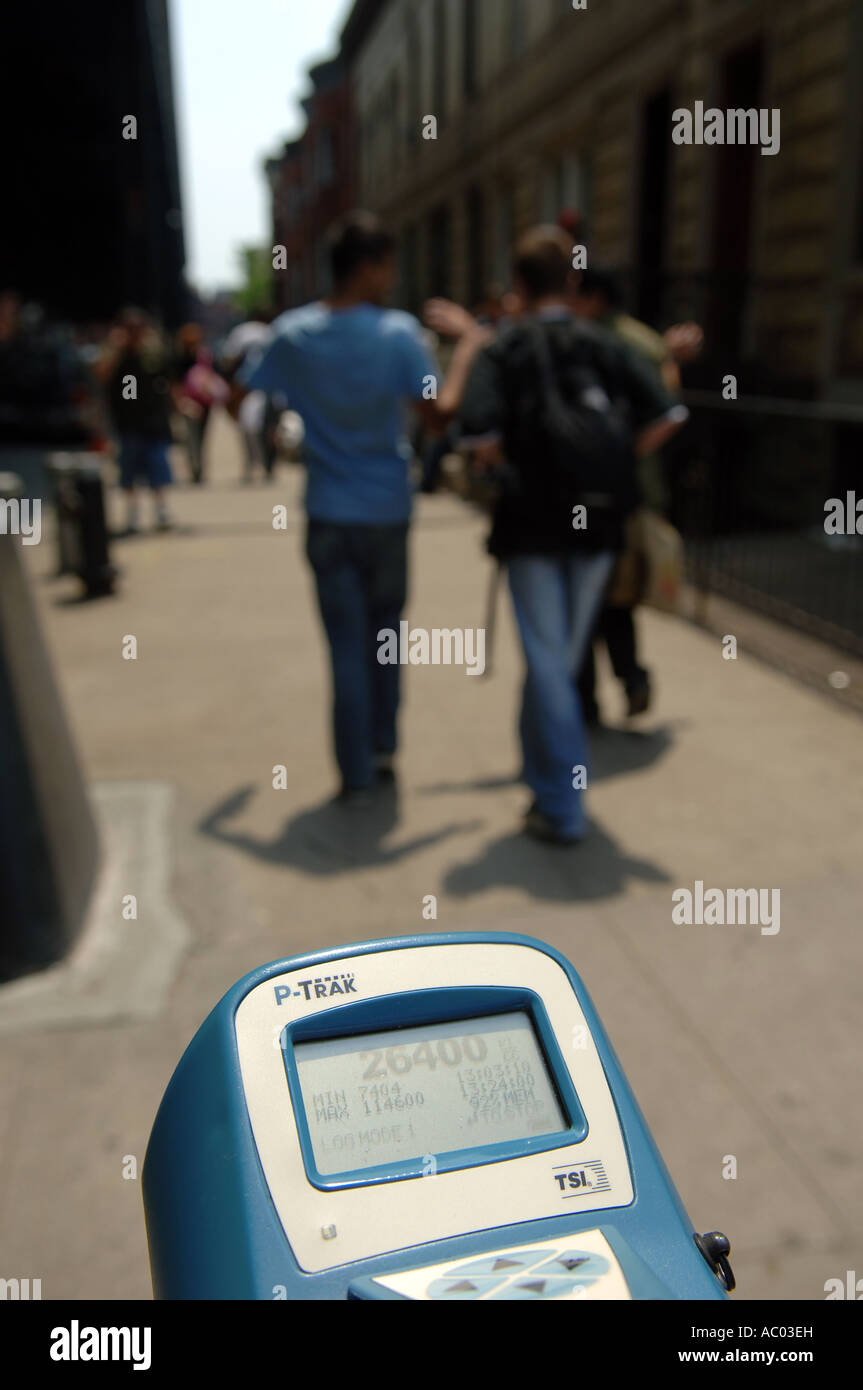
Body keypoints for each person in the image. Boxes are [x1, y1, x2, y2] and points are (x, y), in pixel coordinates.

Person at [235, 211, 488, 802]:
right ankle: (381, 745)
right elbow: (438, 415)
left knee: (344, 646)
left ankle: (352, 771)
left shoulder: (294, 334)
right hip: (386, 511)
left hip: (328, 509)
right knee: (385, 638)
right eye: (389, 265)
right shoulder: (399, 336)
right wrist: (470, 347)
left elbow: (239, 396)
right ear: (371, 266)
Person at [458, 227, 687, 844]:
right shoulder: (605, 345)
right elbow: (667, 413)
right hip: (602, 522)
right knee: (555, 657)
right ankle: (543, 783)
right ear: (574, 281)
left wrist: (512, 466)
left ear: (519, 286)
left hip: (531, 523)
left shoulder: (503, 351)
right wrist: (617, 463)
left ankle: (565, 806)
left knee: (549, 661)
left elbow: (475, 435)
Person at [570, 267, 701, 720]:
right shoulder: (646, 342)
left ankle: (587, 699)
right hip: (635, 490)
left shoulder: (589, 341)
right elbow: (670, 405)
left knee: (585, 597)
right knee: (618, 598)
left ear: (592, 298)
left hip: (597, 491)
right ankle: (632, 678)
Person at [95, 308, 176, 533]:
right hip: (126, 423)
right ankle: (132, 514)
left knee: (157, 466)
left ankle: (161, 511)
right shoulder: (114, 353)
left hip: (153, 421)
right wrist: (115, 347)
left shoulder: (152, 352)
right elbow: (100, 375)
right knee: (128, 470)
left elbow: (168, 379)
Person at [173, 323, 227, 485]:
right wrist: (181, 401)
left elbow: (217, 375)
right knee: (190, 437)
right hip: (187, 402)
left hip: (205, 402)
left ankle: (199, 468)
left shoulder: (205, 356)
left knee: (201, 437)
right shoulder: (179, 358)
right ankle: (195, 468)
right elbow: (174, 382)